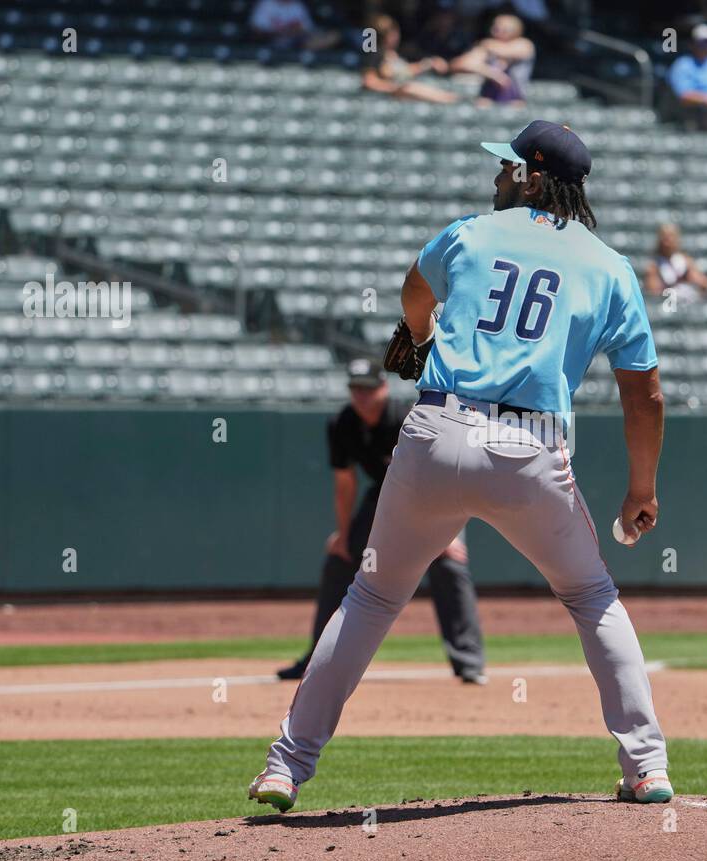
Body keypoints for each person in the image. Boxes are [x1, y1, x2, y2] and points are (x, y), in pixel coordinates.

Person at [249, 120, 673, 812]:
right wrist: (642, 488)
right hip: (529, 449)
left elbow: (415, 295)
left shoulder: (472, 233)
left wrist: (412, 344)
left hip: (436, 431)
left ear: (534, 176)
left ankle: (286, 765)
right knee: (592, 597)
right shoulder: (610, 266)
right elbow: (644, 394)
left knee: (372, 598)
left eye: (509, 166)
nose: (498, 176)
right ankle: (647, 768)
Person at [274, 358, 486, 684]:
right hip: (386, 497)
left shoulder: (408, 419)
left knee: (449, 564)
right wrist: (344, 536)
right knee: (339, 559)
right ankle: (316, 660)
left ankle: (469, 662)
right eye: (355, 389)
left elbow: (448, 474)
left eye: (368, 389)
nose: (361, 396)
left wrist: (448, 536)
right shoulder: (342, 424)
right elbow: (345, 483)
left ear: (384, 388)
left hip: (435, 496)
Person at [361, 14, 458, 104]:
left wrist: (427, 64)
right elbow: (369, 81)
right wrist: (394, 88)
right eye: (393, 32)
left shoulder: (394, 54)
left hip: (403, 93)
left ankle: (453, 100)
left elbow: (406, 70)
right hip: (390, 97)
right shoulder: (375, 55)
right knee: (410, 88)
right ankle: (450, 101)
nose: (397, 36)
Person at [449, 13, 536, 107]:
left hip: (514, 100)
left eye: (504, 28)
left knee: (516, 106)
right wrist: (492, 74)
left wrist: (485, 45)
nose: (497, 31)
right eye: (496, 27)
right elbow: (460, 64)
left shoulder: (524, 44)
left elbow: (505, 51)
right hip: (488, 99)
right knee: (481, 104)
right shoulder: (486, 47)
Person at [643, 223, 707, 305]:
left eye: (671, 236)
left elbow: (705, 284)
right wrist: (674, 283)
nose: (668, 240)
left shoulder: (686, 261)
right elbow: (653, 292)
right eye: (665, 237)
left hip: (686, 306)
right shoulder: (654, 265)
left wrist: (690, 278)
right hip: (666, 307)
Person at [249, 0, 339, 51]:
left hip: (296, 42)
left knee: (333, 35)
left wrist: (294, 30)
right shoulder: (267, 4)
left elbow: (307, 29)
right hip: (272, 40)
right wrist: (283, 30)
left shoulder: (297, 5)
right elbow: (256, 28)